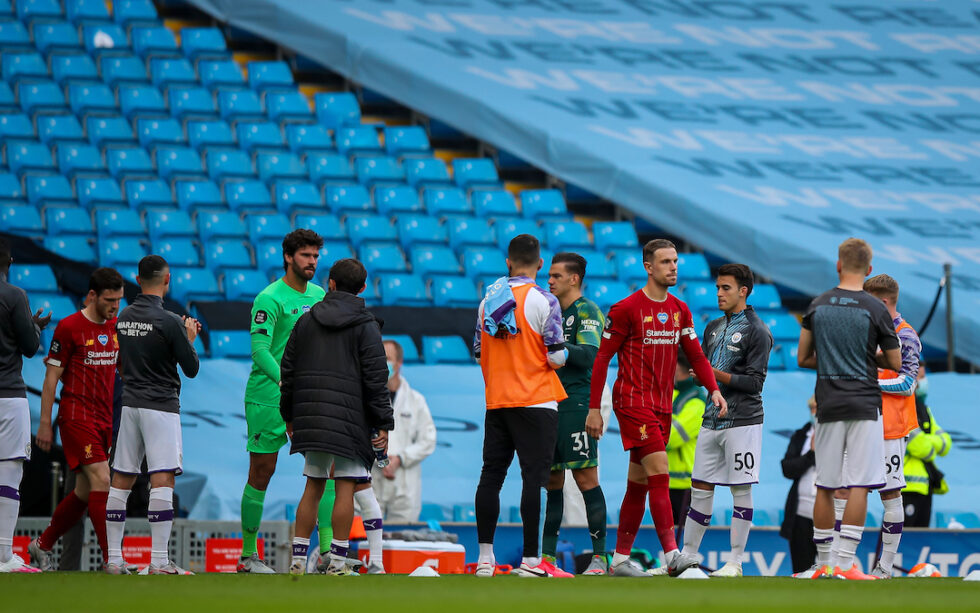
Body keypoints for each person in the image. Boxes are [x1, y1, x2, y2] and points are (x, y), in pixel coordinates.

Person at [588, 239, 726, 577]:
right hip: (632, 401)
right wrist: (594, 408)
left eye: (675, 261)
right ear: (648, 267)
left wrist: (714, 390)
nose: (673, 267)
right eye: (665, 262)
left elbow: (695, 356)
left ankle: (620, 558)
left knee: (638, 482)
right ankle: (672, 555)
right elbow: (603, 358)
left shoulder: (680, 310)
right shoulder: (625, 309)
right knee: (660, 470)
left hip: (662, 405)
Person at [795, 238, 900, 580]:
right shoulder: (875, 308)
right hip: (864, 402)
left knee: (825, 483)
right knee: (860, 483)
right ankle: (845, 565)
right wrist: (867, 358)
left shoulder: (818, 305)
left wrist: (833, 361)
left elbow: (802, 358)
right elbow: (896, 362)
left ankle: (823, 563)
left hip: (828, 401)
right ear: (869, 269)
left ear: (838, 265)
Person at [282, 258, 393, 576]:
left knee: (313, 485)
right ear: (362, 288)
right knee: (345, 487)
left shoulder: (305, 321)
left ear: (330, 284)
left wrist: (289, 416)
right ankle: (339, 563)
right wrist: (382, 422)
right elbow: (376, 377)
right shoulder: (366, 325)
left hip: (311, 414)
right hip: (349, 418)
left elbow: (288, 371)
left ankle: (297, 561)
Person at [472, 234, 568, 578]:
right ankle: (530, 560)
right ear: (540, 265)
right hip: (537, 401)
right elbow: (556, 357)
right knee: (534, 480)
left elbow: (479, 351)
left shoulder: (487, 303)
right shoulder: (545, 301)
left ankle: (485, 558)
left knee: (491, 477)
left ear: (508, 262)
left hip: (497, 400)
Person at [675, 263, 772, 577]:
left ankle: (735, 562)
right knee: (700, 486)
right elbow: (703, 373)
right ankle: (688, 556)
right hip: (710, 418)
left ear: (743, 291)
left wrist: (713, 375)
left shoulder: (758, 330)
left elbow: (756, 383)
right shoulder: (713, 327)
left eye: (726, 288)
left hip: (743, 420)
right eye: (717, 287)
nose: (719, 293)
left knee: (740, 490)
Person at [239, 229, 327, 574]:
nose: (313, 262)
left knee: (324, 471)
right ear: (289, 257)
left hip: (309, 397)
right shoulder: (269, 298)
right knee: (262, 472)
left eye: (316, 256)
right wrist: (287, 380)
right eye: (306, 256)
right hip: (268, 397)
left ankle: (326, 555)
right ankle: (248, 556)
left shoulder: (320, 296)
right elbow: (260, 350)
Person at [105, 255, 200, 575]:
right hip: (160, 405)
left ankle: (114, 560)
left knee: (122, 477)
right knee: (162, 476)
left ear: (137, 278)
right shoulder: (170, 321)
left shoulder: (124, 316)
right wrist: (189, 340)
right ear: (167, 279)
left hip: (130, 403)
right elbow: (191, 369)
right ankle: (158, 559)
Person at [826, 274, 921, 578]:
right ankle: (836, 564)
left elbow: (908, 384)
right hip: (857, 421)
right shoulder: (864, 332)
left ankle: (885, 567)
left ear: (881, 303)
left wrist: (870, 382)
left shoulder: (905, 336)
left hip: (889, 429)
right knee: (843, 489)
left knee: (890, 495)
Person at [30, 268, 124, 570]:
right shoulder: (69, 328)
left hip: (104, 421)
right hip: (75, 417)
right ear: (93, 296)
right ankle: (113, 561)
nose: (115, 306)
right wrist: (45, 423)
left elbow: (121, 369)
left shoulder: (114, 328)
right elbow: (51, 378)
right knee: (102, 480)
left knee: (84, 492)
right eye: (110, 300)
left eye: (119, 300)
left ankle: (41, 544)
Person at [542, 252, 609, 576]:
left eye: (556, 275)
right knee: (552, 481)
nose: (549, 280)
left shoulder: (588, 311)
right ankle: (547, 559)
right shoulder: (550, 310)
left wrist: (561, 351)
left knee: (585, 479)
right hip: (547, 403)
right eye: (549, 275)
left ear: (574, 278)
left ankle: (600, 558)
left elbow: (593, 356)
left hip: (576, 404)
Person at [0, 238, 49, 573]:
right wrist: (34, 326)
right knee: (9, 472)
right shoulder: (14, 296)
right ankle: (3, 554)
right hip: (8, 395)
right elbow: (31, 347)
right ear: (10, 262)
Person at [371, 339, 436, 524]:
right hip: (374, 481)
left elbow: (428, 440)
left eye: (388, 359)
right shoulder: (366, 400)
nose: (383, 364)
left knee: (401, 544)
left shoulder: (416, 401)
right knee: (369, 542)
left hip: (405, 487)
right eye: (379, 359)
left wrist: (400, 458)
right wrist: (381, 460)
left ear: (399, 363)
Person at [902, 366, 951, 527]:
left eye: (923, 377)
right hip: (905, 487)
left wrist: (928, 441)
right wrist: (932, 442)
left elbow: (946, 443)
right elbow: (923, 448)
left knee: (919, 540)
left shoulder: (924, 409)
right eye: (919, 378)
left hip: (926, 486)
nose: (922, 382)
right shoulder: (902, 407)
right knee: (900, 540)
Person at [667, 355, 706, 535]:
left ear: (678, 366)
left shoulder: (697, 400)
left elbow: (671, 438)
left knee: (686, 539)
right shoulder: (669, 392)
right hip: (665, 479)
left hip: (686, 484)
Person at [780, 397, 818, 574]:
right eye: (811, 408)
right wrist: (811, 454)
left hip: (830, 514)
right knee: (801, 569)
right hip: (800, 513)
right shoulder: (801, 435)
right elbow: (787, 468)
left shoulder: (841, 436)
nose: (814, 413)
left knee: (830, 568)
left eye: (817, 408)